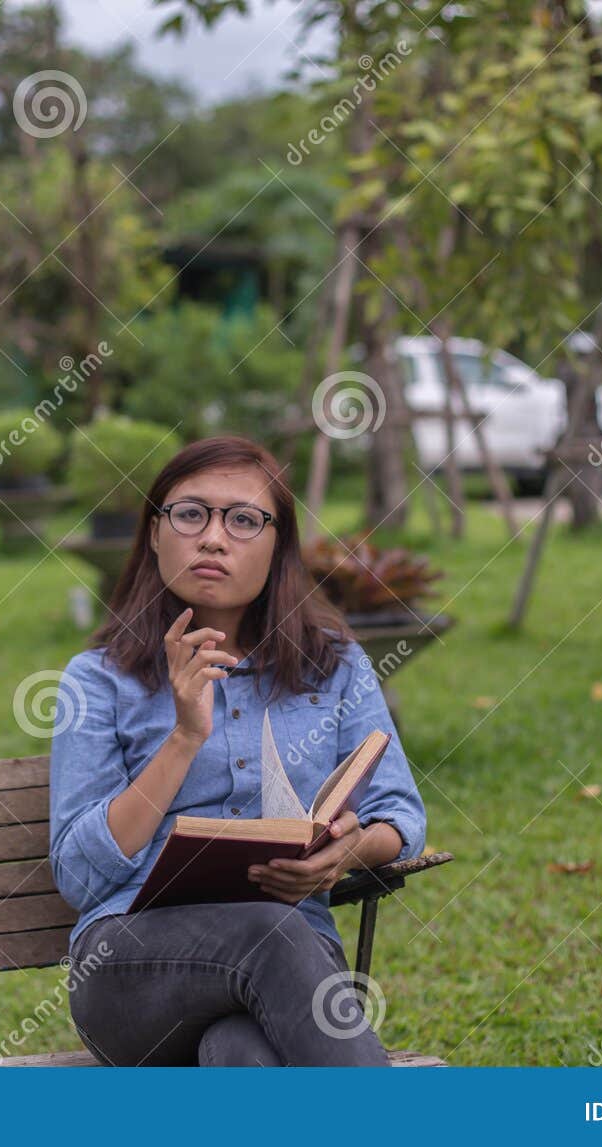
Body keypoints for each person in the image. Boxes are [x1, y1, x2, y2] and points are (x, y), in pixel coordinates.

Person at [48, 435, 428, 1066]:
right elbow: (80, 877)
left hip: (293, 961)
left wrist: (344, 850)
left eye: (244, 519)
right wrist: (184, 736)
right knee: (266, 931)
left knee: (242, 1057)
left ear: (278, 544)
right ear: (153, 533)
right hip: (134, 975)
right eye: (191, 514)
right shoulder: (98, 681)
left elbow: (402, 817)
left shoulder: (334, 668)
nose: (214, 538)